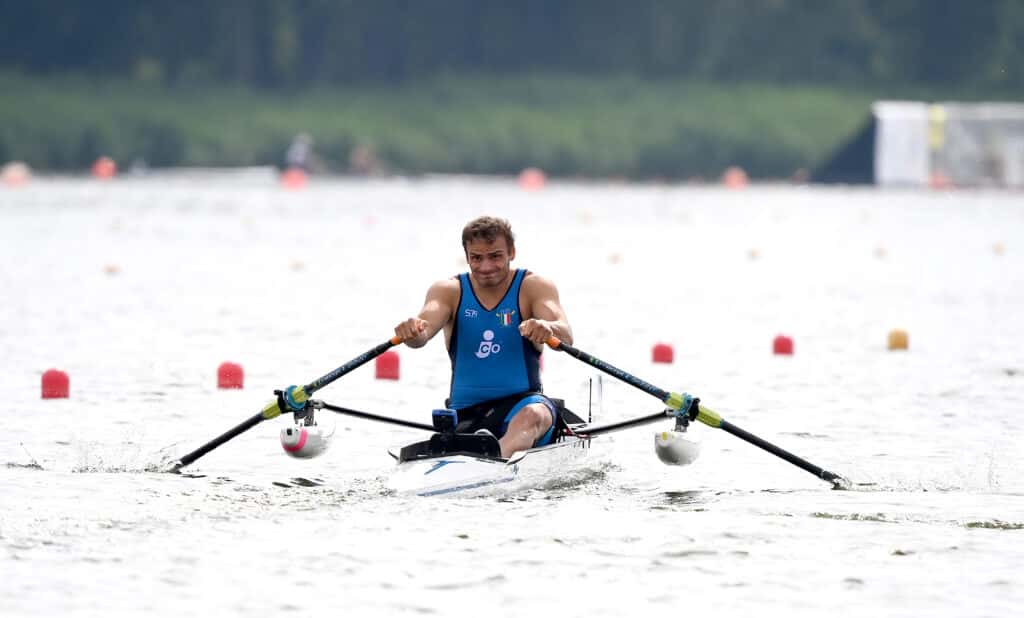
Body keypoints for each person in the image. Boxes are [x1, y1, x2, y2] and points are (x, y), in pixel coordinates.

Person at [394, 216, 573, 458]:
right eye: (476, 258)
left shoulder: (533, 286)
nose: (486, 266)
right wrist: (411, 332)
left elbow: (566, 335)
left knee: (535, 414)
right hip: (465, 416)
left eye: (495, 256)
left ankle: (494, 463)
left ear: (512, 252)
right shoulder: (448, 291)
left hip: (523, 406)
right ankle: (485, 459)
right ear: (467, 257)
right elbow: (421, 335)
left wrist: (548, 328)